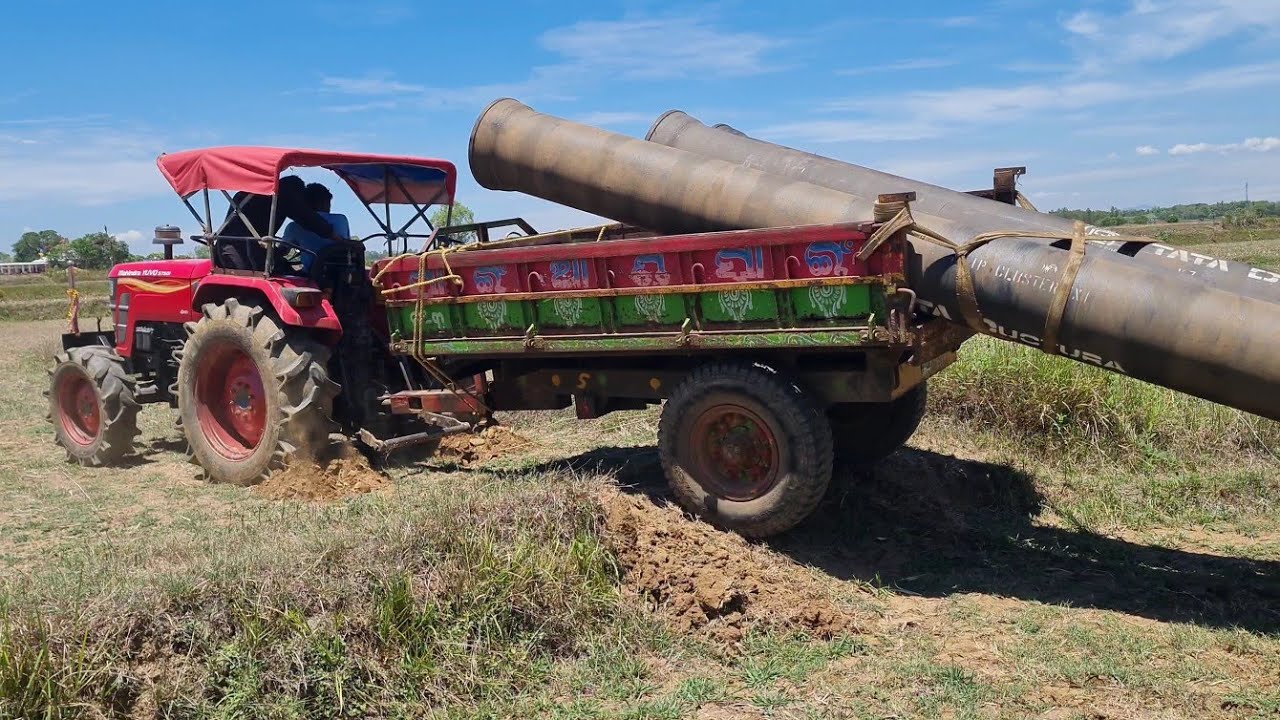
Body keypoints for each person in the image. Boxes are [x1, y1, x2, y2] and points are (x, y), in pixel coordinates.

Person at [217, 175, 342, 272]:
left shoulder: (267, 195)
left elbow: (284, 249)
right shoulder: (287, 191)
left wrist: (277, 251)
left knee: (285, 268)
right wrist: (337, 237)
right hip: (241, 250)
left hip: (234, 246)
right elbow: (306, 217)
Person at [281, 182, 350, 275]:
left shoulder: (294, 226)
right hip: (341, 276)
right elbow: (347, 244)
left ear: (304, 203)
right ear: (325, 203)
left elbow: (283, 251)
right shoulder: (342, 219)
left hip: (312, 275)